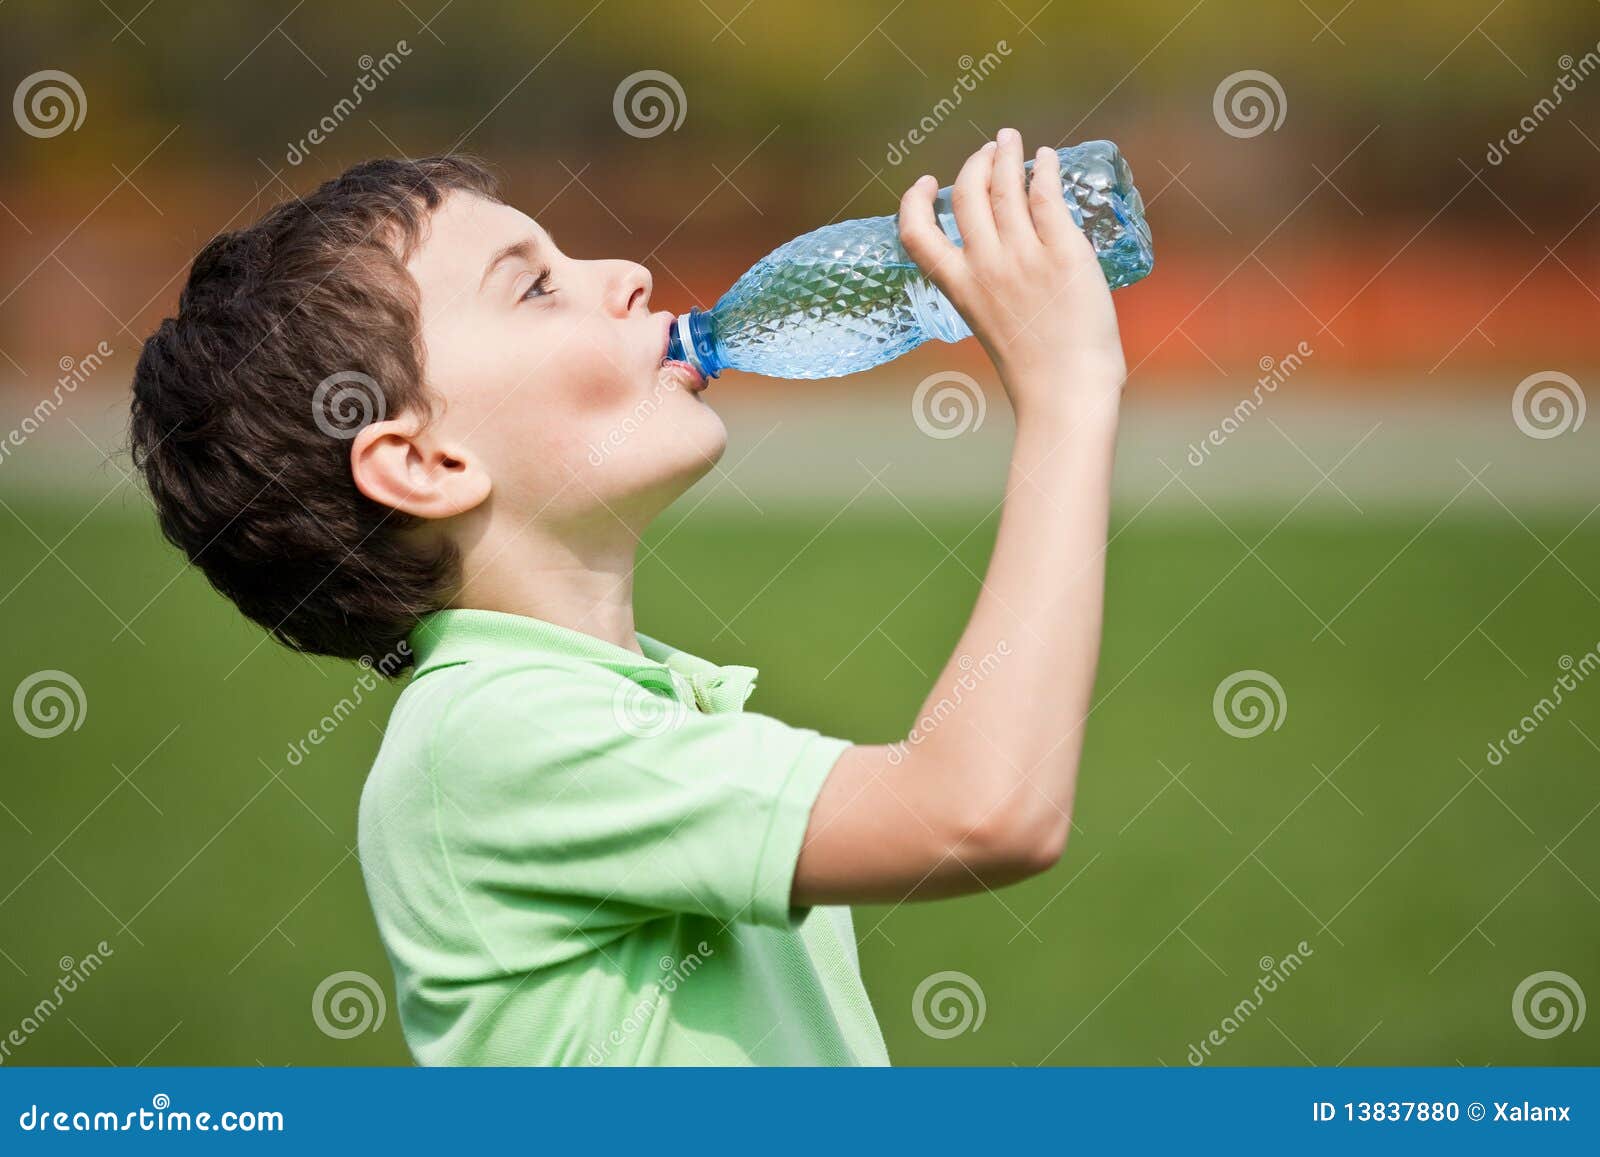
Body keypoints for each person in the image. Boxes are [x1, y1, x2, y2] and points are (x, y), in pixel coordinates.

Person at [127, 126, 1127, 1064]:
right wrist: (1069, 394)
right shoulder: (490, 735)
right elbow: (978, 810)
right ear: (426, 460)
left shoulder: (621, 703)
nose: (627, 275)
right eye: (535, 289)